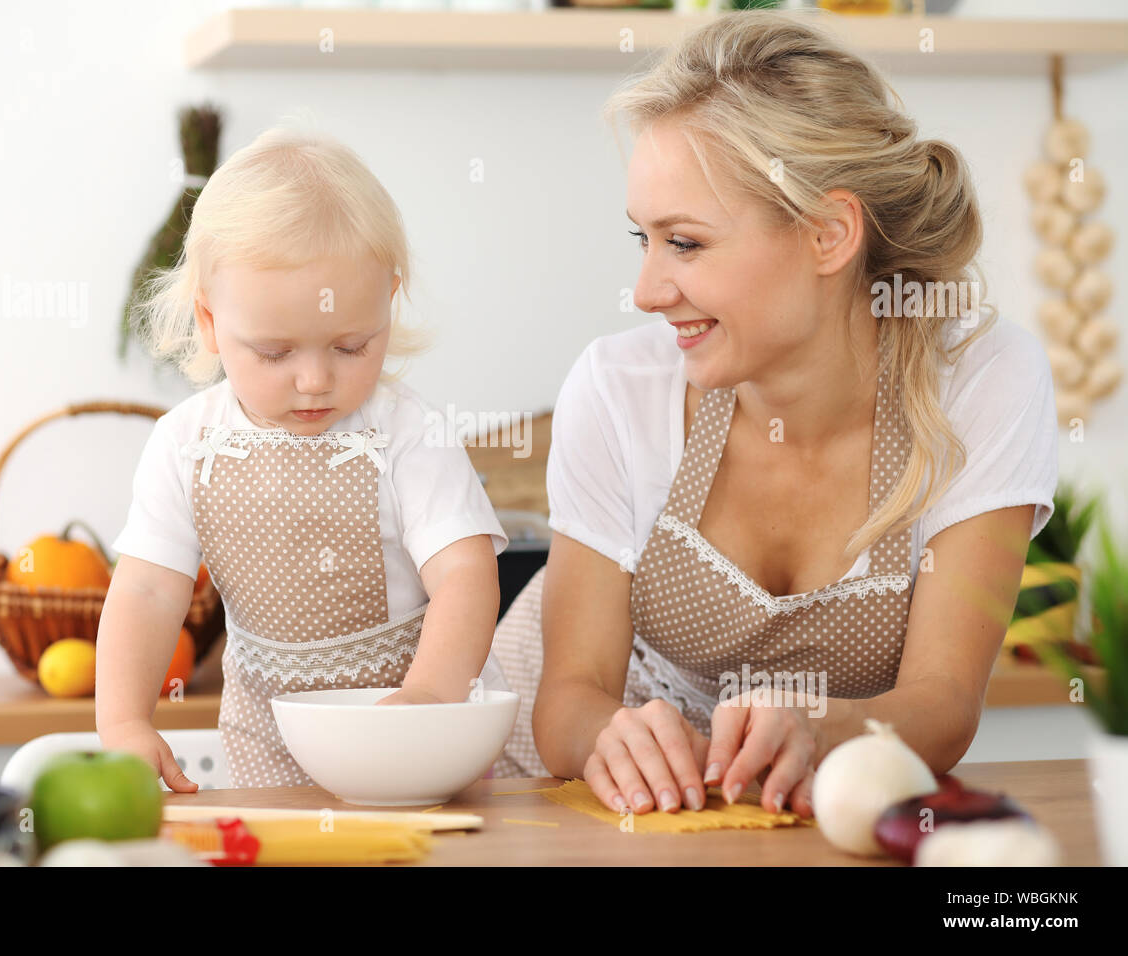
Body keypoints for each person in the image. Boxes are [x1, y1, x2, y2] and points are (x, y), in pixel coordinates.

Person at [489, 11, 1058, 818]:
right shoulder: (620, 390)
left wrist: (817, 733)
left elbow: (945, 700)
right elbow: (568, 702)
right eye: (641, 241)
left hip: (768, 812)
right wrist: (604, 734)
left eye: (683, 243)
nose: (648, 290)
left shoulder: (982, 380)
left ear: (829, 235)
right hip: (554, 796)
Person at [97, 124, 509, 791]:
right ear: (208, 321)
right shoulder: (184, 445)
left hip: (416, 729)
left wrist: (430, 698)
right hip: (269, 728)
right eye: (275, 352)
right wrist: (123, 725)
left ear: (389, 298)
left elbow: (465, 576)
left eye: (350, 346)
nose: (315, 380)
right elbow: (146, 590)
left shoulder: (407, 431)